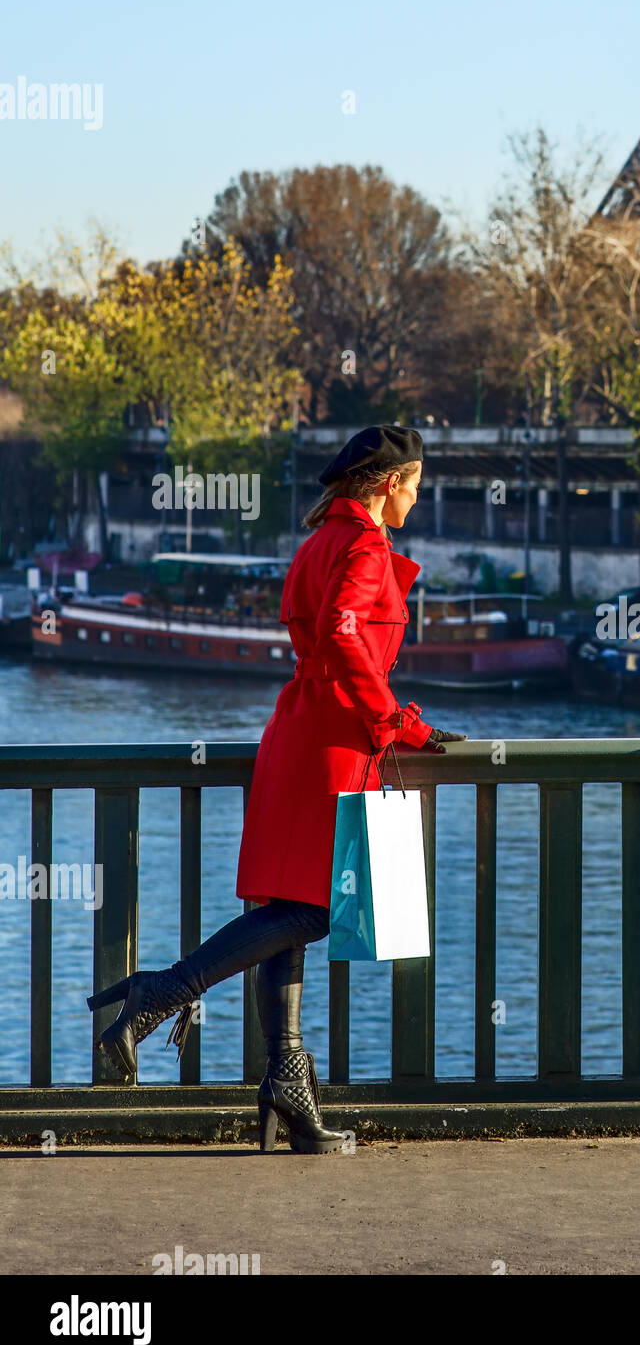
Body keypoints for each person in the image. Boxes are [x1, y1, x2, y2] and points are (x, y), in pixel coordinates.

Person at [86, 426, 466, 1154]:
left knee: (288, 911)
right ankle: (161, 994)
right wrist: (398, 722)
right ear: (389, 482)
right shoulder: (362, 546)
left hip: (298, 731)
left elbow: (318, 634)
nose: (419, 497)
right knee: (315, 910)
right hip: (331, 741)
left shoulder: (318, 542)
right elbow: (344, 633)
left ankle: (287, 1086)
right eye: (416, 482)